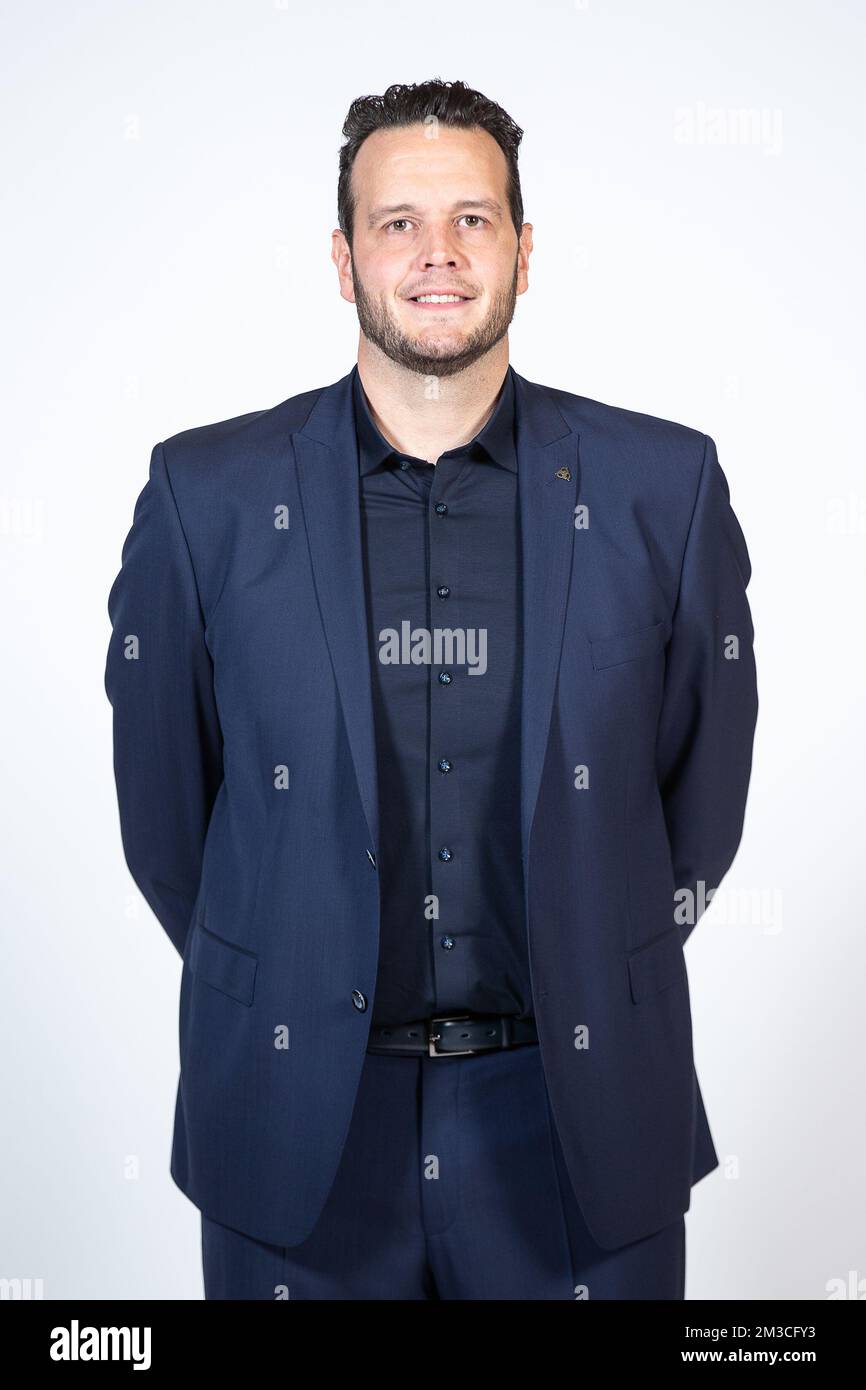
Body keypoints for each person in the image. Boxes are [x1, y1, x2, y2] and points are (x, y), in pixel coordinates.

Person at [104, 78, 758, 1300]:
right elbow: (169, 829)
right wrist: (288, 961)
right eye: (398, 222)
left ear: (524, 249)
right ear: (342, 258)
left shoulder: (659, 491)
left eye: (472, 217)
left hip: (576, 1129)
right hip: (299, 1127)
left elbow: (694, 805)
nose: (438, 253)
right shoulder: (206, 500)